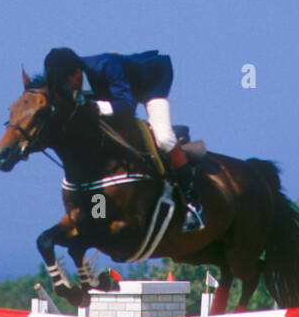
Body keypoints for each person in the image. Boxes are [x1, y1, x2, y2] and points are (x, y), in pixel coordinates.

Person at [43, 47, 203, 228]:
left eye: (67, 83)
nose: (68, 89)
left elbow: (126, 107)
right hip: (118, 91)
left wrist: (95, 107)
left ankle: (193, 204)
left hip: (151, 83)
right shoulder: (70, 77)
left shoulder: (106, 66)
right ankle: (99, 212)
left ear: (78, 73)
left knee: (164, 139)